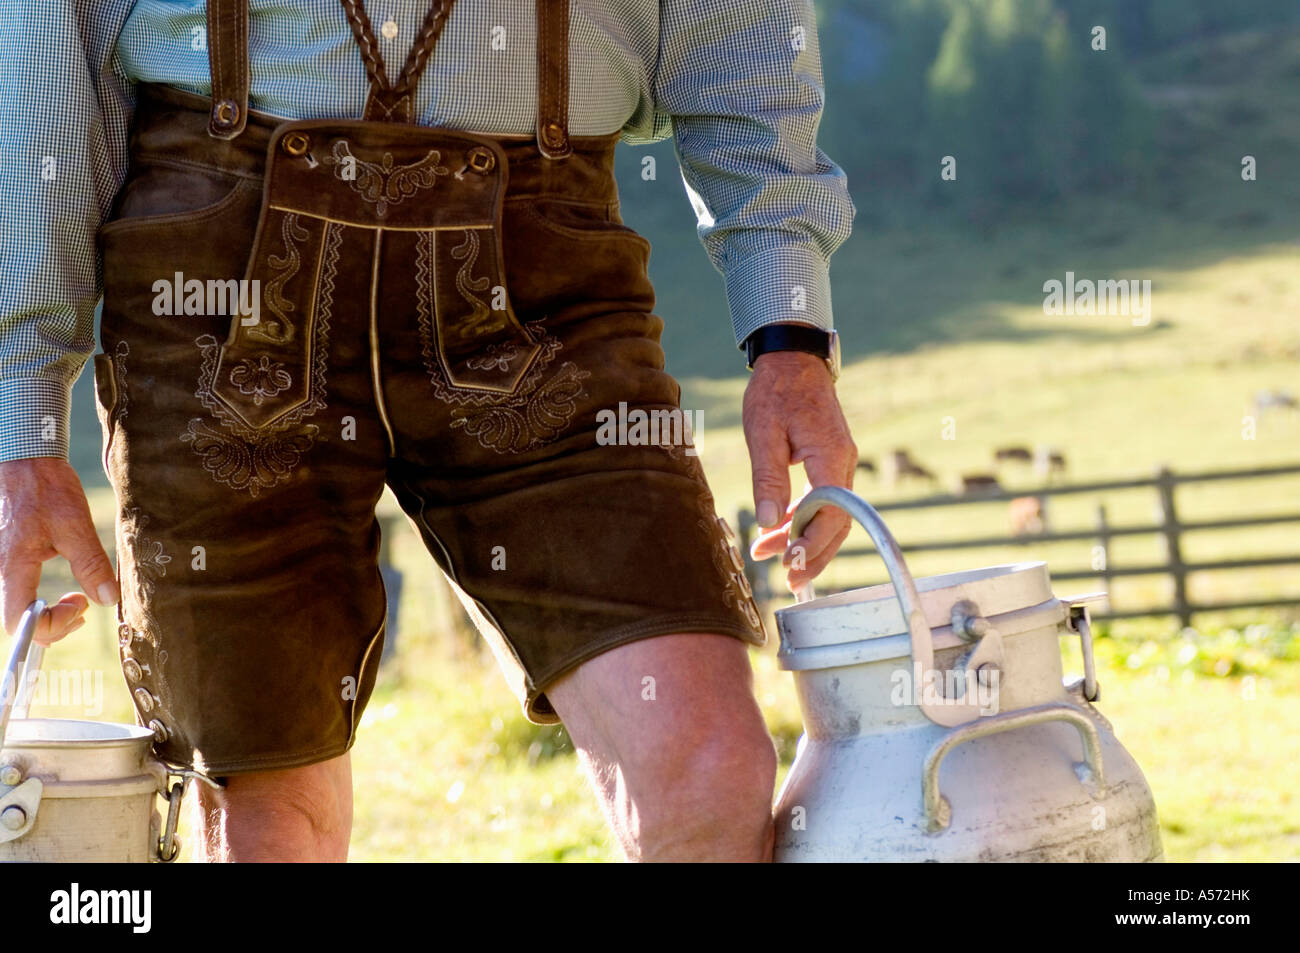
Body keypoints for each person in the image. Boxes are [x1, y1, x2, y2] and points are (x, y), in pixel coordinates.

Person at [0, 0, 857, 861]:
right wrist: (23, 407)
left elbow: (744, 33)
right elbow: (43, 43)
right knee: (266, 826)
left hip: (544, 273)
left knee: (708, 767)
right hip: (225, 272)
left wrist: (789, 333)